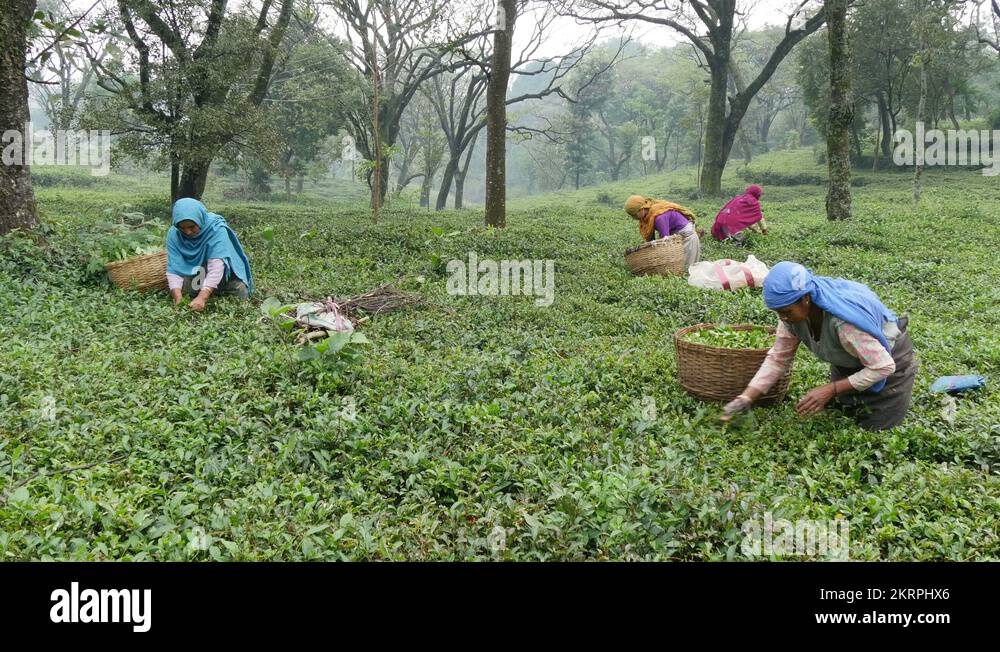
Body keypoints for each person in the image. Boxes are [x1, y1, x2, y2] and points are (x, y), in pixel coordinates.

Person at [721, 261, 917, 431]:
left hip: (889, 363)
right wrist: (746, 398)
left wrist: (831, 389)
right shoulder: (790, 318)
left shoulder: (844, 324)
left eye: (786, 311)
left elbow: (883, 367)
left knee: (876, 428)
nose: (782, 318)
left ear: (806, 298)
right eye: (777, 312)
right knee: (841, 415)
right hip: (850, 360)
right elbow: (778, 358)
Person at [165, 198, 253, 312]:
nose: (187, 232)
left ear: (199, 220)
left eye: (192, 227)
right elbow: (174, 268)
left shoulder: (216, 229)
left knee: (240, 290)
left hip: (223, 276)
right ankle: (206, 291)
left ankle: (210, 291)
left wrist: (202, 297)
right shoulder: (174, 233)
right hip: (197, 273)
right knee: (183, 288)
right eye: (182, 228)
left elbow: (216, 267)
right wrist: (178, 299)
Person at [623, 195, 701, 269]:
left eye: (634, 215)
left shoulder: (659, 217)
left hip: (687, 238)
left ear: (642, 209)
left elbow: (666, 242)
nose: (634, 218)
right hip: (677, 235)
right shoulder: (649, 214)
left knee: (686, 268)